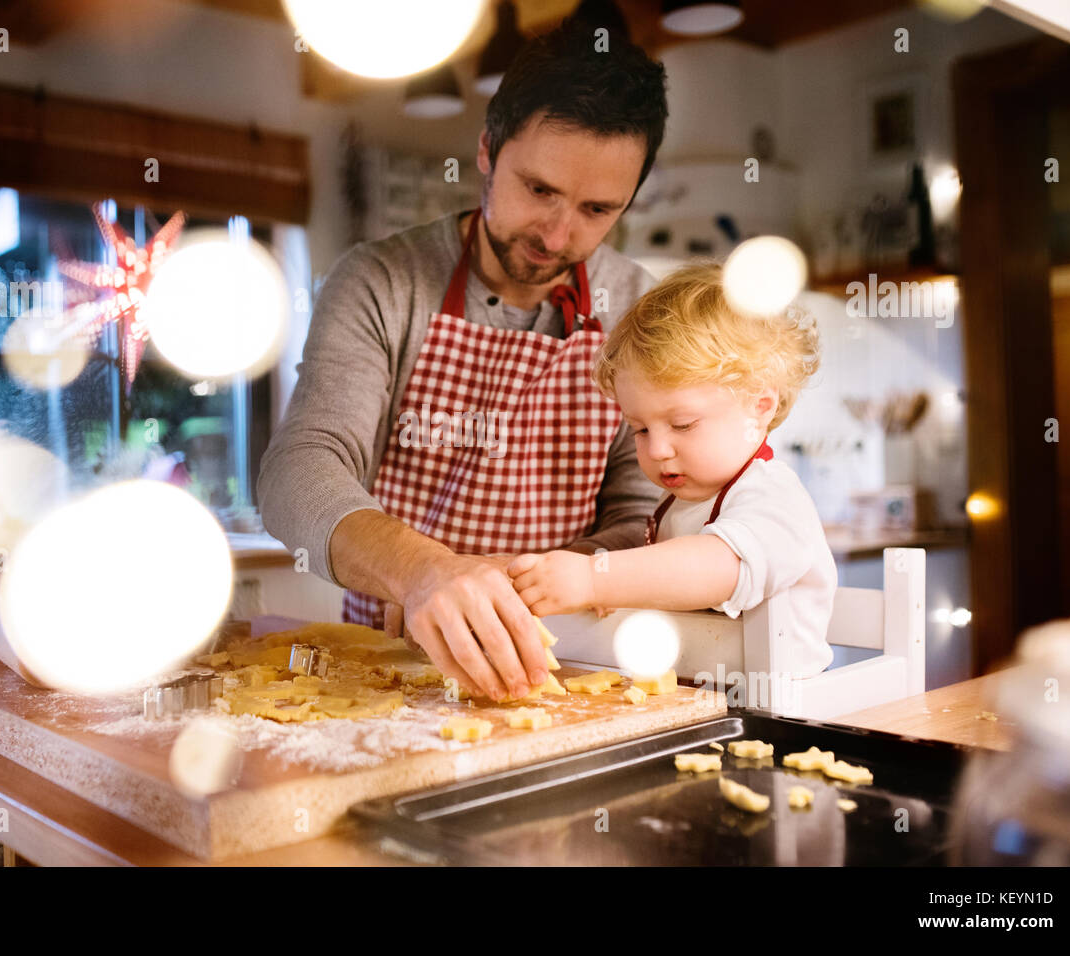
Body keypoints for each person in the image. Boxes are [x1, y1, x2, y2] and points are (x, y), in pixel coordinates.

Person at [257, 17, 669, 701]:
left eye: (598, 209)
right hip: (387, 672)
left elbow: (646, 518)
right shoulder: (382, 281)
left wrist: (519, 582)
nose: (559, 234)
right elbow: (298, 472)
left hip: (567, 674)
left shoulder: (637, 308)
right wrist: (421, 573)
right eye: (538, 190)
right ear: (486, 149)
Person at [507, 263, 838, 679]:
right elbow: (669, 585)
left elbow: (718, 568)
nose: (658, 449)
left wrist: (597, 579)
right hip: (703, 698)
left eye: (682, 425)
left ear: (760, 407)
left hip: (780, 715)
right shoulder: (683, 499)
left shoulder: (773, 499)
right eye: (640, 429)